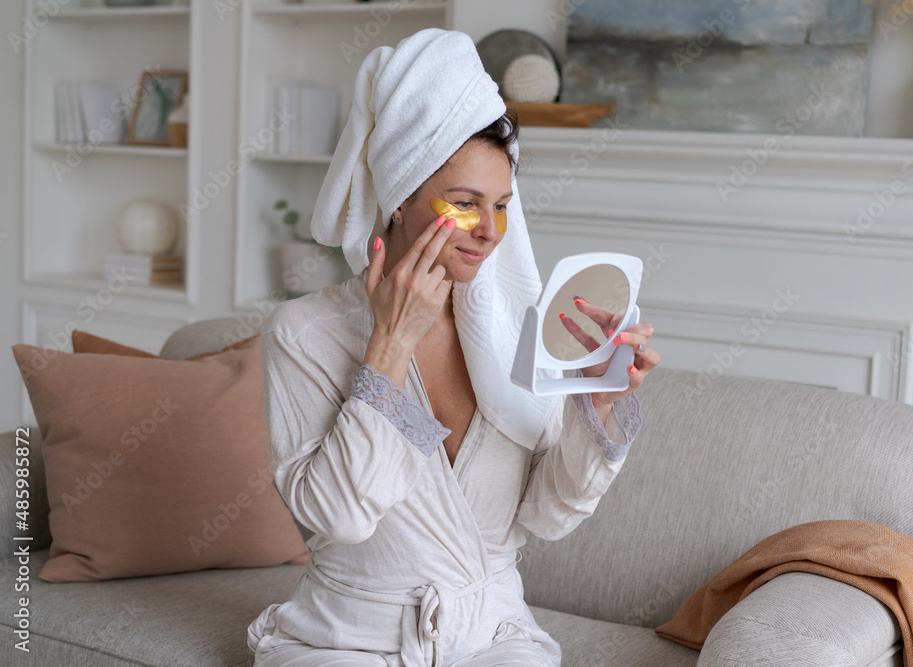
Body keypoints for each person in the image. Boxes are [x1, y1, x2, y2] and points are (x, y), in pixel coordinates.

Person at [246, 28, 659, 667]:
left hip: (494, 637)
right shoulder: (305, 333)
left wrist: (596, 402)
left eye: (501, 205)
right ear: (400, 197)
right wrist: (389, 344)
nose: (491, 231)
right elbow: (340, 517)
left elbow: (549, 516)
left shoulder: (515, 334)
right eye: (465, 204)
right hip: (344, 640)